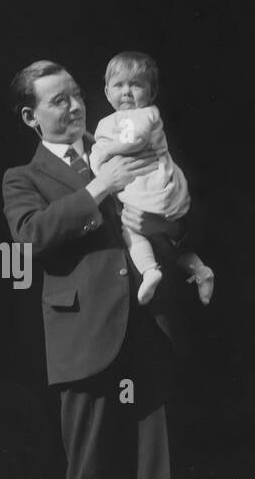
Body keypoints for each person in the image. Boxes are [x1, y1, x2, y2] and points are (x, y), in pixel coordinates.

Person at [2, 59, 188, 479]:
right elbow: (30, 238)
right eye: (58, 101)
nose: (74, 106)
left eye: (77, 95)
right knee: (87, 474)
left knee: (154, 469)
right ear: (32, 117)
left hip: (143, 326)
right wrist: (96, 190)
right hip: (80, 336)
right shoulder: (21, 177)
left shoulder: (121, 138)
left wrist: (168, 228)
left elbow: (172, 214)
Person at [91, 51, 215, 307]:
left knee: (137, 227)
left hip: (155, 183)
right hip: (136, 185)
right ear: (106, 92)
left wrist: (104, 152)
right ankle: (193, 269)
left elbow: (132, 141)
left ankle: (153, 270)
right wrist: (99, 160)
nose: (126, 92)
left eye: (135, 84)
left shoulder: (146, 115)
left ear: (151, 92)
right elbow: (99, 157)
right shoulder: (106, 122)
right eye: (119, 85)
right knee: (141, 231)